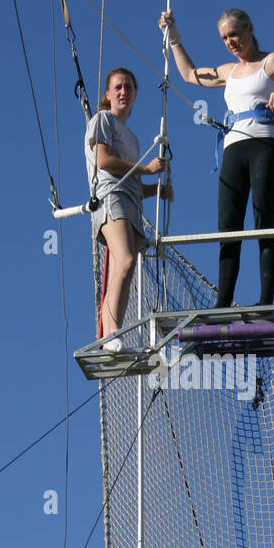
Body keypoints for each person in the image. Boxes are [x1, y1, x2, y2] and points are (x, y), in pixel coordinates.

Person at [159, 7, 274, 307]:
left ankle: (264, 300)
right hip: (233, 148)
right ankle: (223, 302)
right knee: (228, 225)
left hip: (263, 145)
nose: (230, 42)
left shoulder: (271, 61)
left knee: (265, 219)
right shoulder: (228, 71)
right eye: (224, 38)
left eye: (233, 34)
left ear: (249, 28)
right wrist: (174, 39)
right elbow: (187, 75)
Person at [85, 67, 170, 348]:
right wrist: (145, 168)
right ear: (107, 94)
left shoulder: (132, 138)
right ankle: (110, 333)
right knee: (124, 261)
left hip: (130, 203)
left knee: (127, 266)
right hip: (111, 199)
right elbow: (103, 160)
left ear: (135, 94)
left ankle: (112, 331)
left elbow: (131, 183)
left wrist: (155, 189)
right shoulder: (102, 120)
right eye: (118, 87)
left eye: (129, 88)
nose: (124, 92)